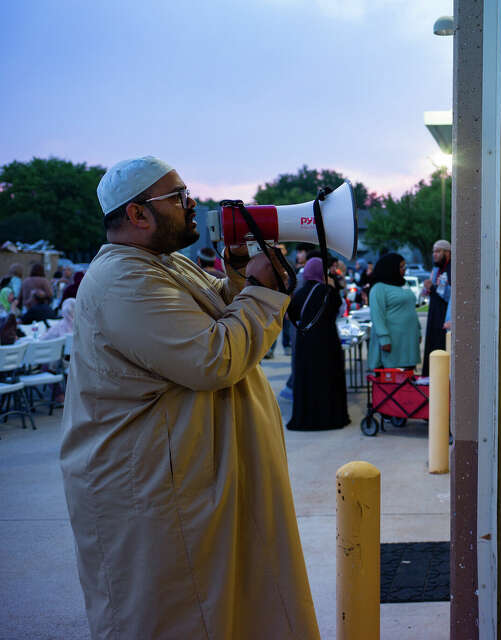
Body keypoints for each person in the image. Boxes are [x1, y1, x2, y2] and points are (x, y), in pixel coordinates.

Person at [59, 156, 320, 639]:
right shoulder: (123, 280)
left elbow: (220, 308)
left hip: (192, 483)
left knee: (228, 612)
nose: (193, 204)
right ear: (138, 214)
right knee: (182, 617)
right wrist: (262, 288)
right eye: (178, 197)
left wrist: (240, 271)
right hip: (160, 496)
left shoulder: (160, 264)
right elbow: (212, 356)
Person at [286, 257, 350, 430]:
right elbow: (340, 309)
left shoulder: (300, 292)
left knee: (308, 379)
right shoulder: (327, 290)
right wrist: (332, 287)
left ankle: (307, 419)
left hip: (305, 343)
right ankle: (330, 418)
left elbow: (291, 314)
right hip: (327, 342)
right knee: (327, 378)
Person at [368, 253, 421, 370]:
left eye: (405, 267)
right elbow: (377, 316)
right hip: (392, 342)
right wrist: (384, 338)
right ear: (391, 267)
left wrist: (419, 330)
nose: (404, 270)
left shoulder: (404, 283)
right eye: (401, 267)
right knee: (394, 381)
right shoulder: (378, 288)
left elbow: (410, 307)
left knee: (408, 377)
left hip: (409, 340)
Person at [421, 239, 451, 376]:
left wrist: (433, 287)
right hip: (434, 314)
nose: (435, 254)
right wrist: (427, 288)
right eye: (433, 251)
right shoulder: (436, 269)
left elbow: (451, 295)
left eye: (438, 251)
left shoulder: (452, 269)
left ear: (447, 252)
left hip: (445, 316)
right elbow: (432, 292)